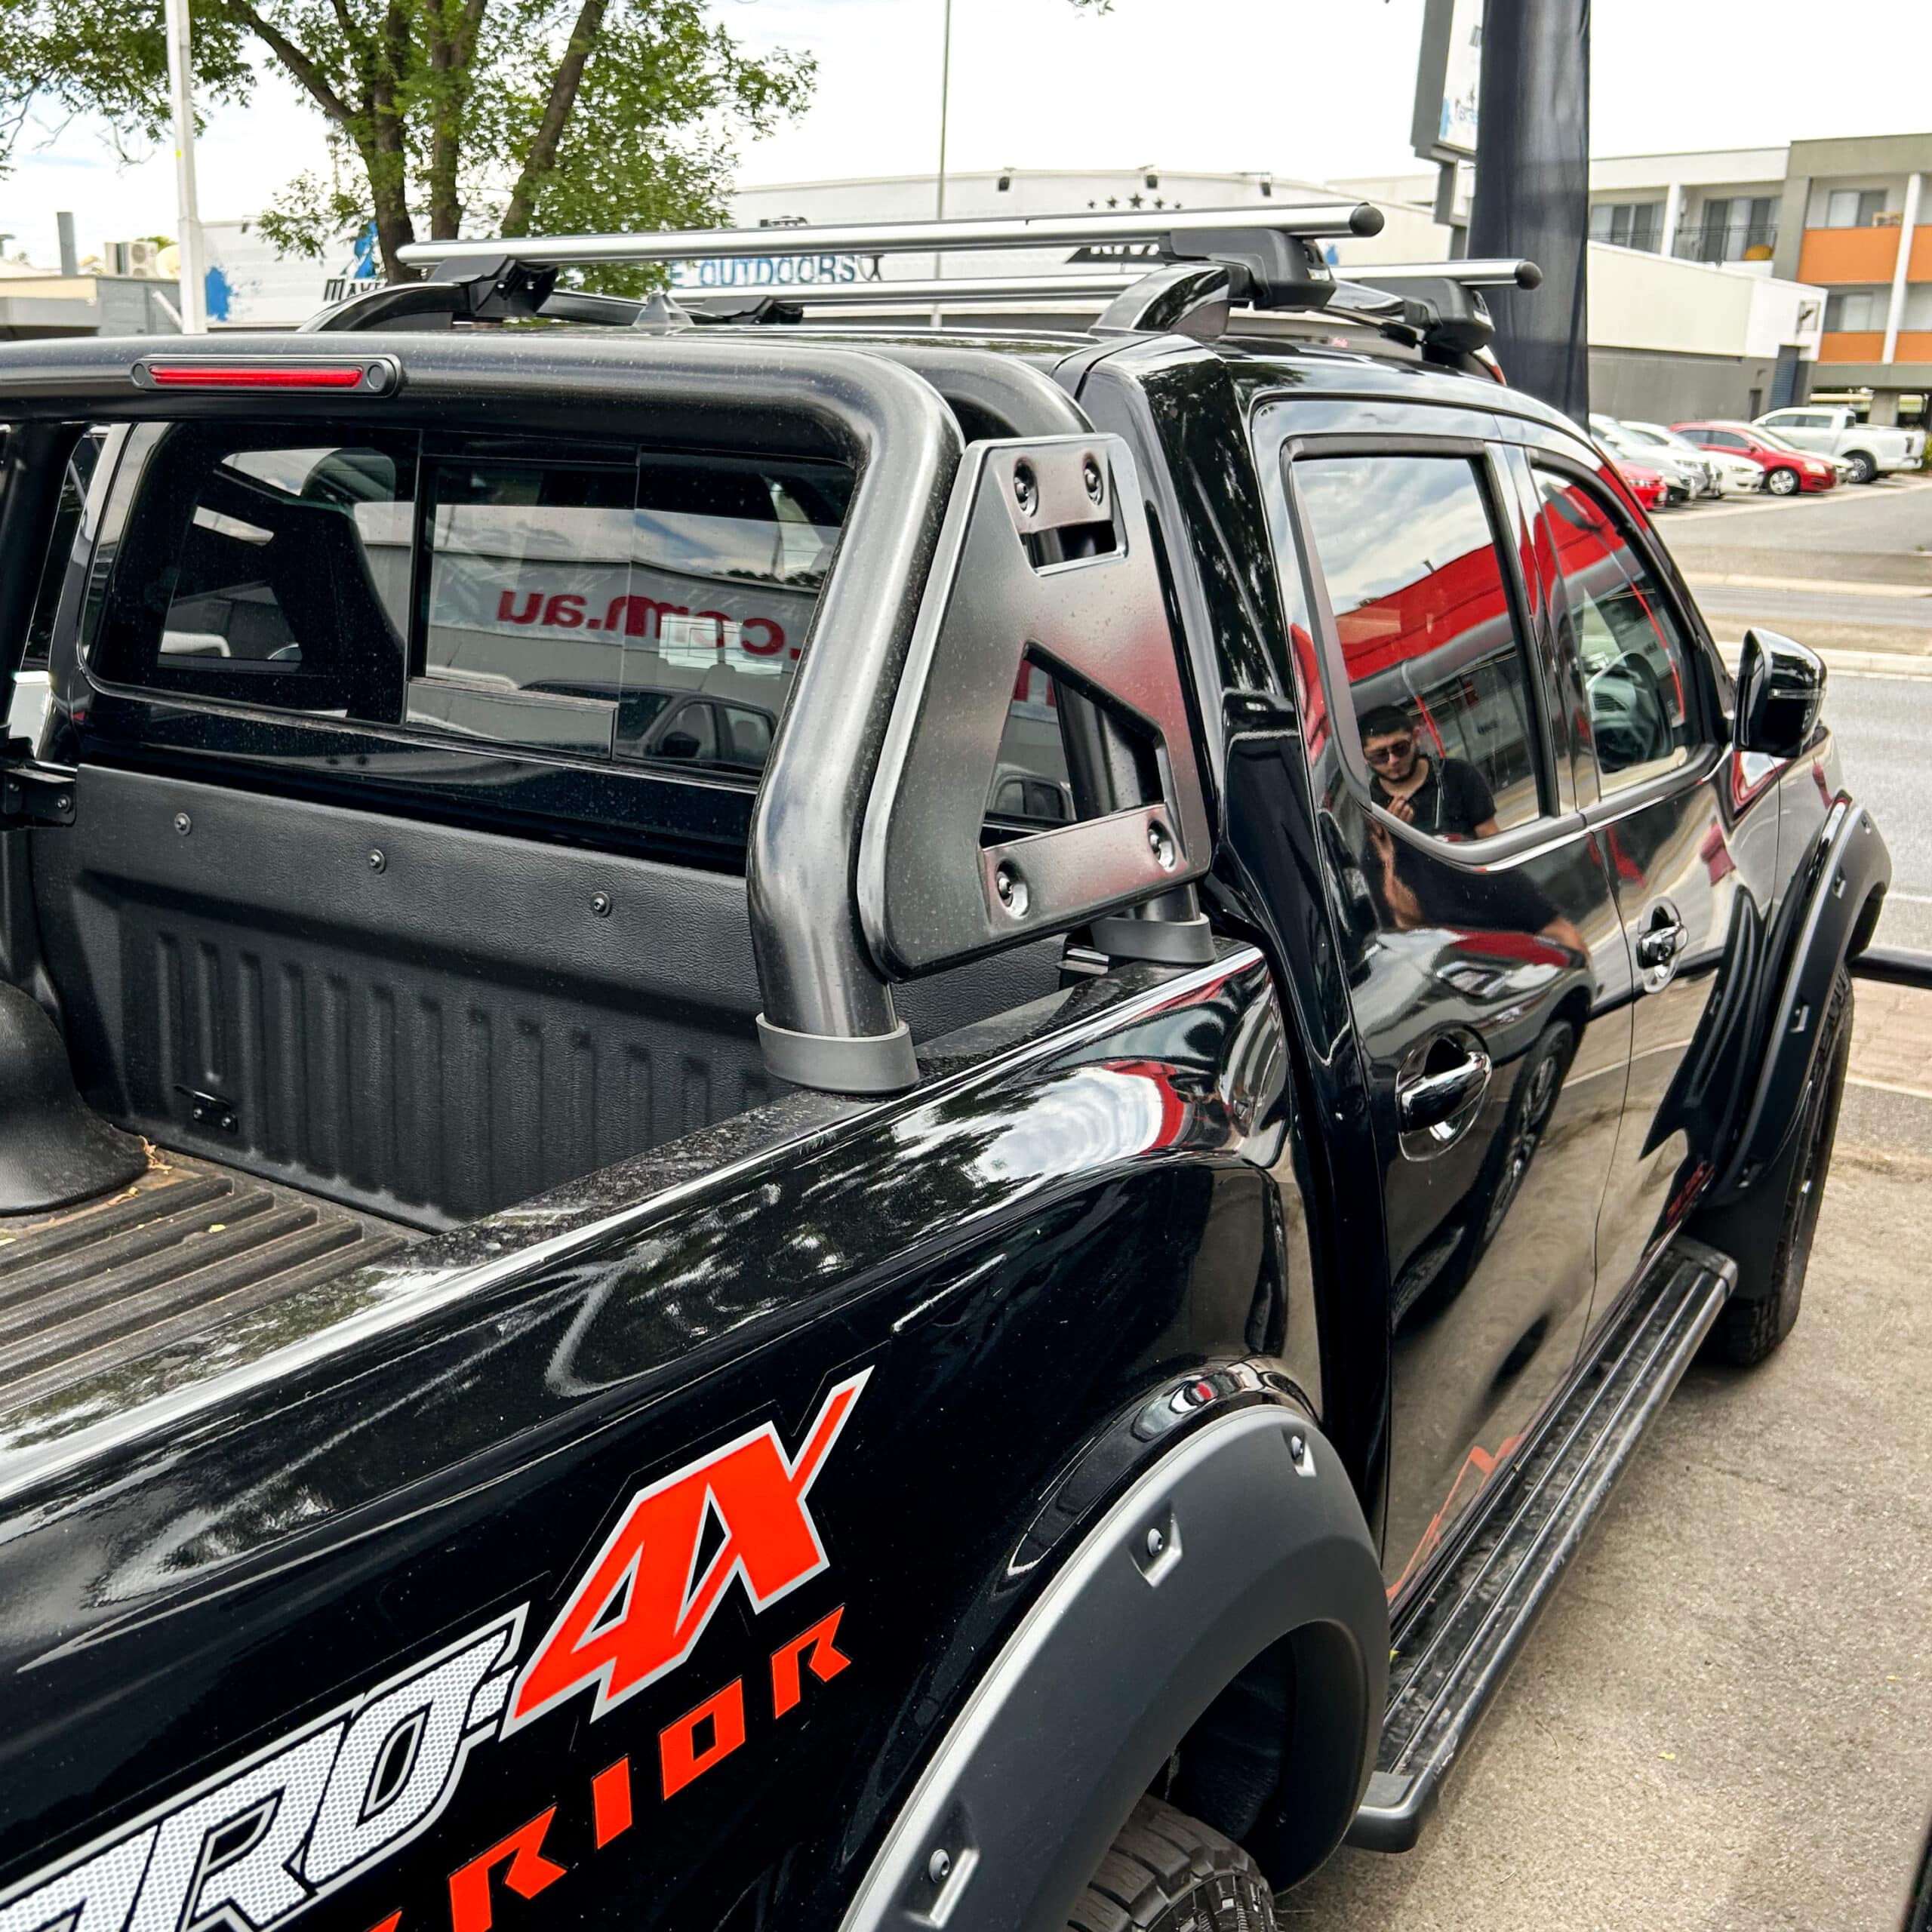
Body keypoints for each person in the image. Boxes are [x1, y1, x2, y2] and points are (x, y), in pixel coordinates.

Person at [1358, 704, 1499, 842]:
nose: (1393, 760)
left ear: (1416, 737)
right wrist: (1391, 840)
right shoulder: (1366, 806)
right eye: (1379, 755)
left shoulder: (1457, 775)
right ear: (1363, 756)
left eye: (1400, 748)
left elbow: (1490, 836)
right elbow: (1372, 864)